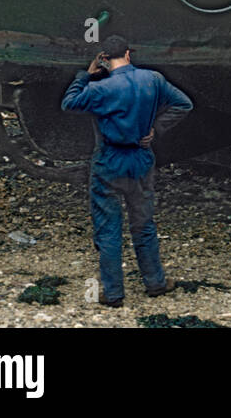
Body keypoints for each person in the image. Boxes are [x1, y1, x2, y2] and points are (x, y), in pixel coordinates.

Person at [61, 35, 193, 306]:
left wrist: (85, 74)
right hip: (141, 158)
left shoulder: (101, 89)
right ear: (129, 54)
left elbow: (69, 102)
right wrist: (156, 129)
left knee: (108, 226)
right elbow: (184, 104)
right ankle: (155, 282)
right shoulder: (153, 79)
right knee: (143, 224)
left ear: (104, 60)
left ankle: (113, 293)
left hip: (110, 160)